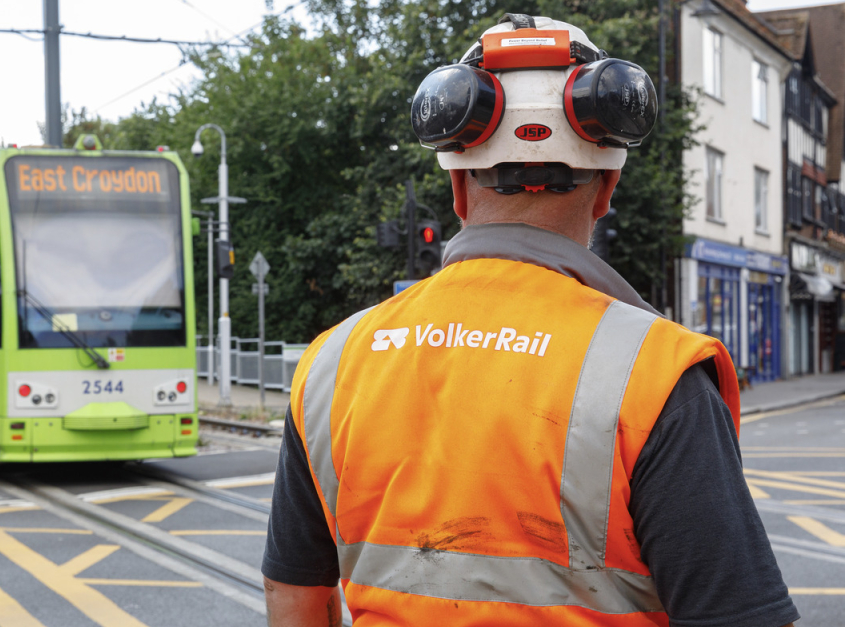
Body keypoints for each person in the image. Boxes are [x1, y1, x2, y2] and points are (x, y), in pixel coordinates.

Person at [262, 15, 798, 627]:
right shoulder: (654, 375)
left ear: (458, 186)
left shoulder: (332, 363)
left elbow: (293, 595)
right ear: (607, 187)